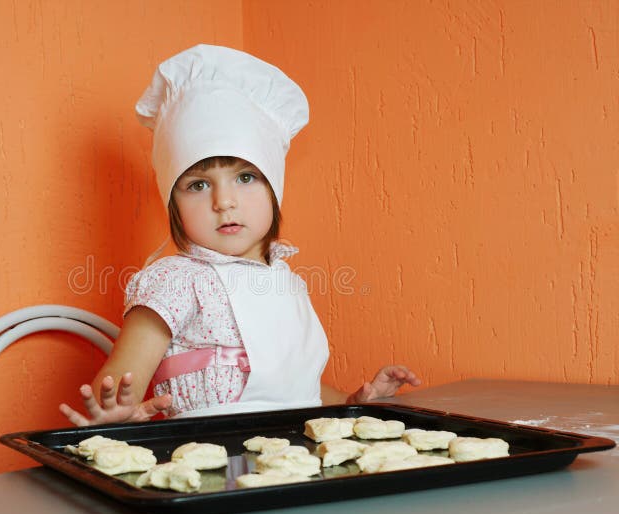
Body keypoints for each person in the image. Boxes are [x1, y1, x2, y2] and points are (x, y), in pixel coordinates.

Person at [59, 44, 420, 426]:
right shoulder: (176, 281)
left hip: (296, 461)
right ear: (173, 203)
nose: (224, 201)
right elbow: (115, 386)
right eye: (198, 185)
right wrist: (114, 412)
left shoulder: (287, 281)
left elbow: (299, 393)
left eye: (245, 178)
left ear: (274, 190)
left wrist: (353, 403)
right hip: (214, 462)